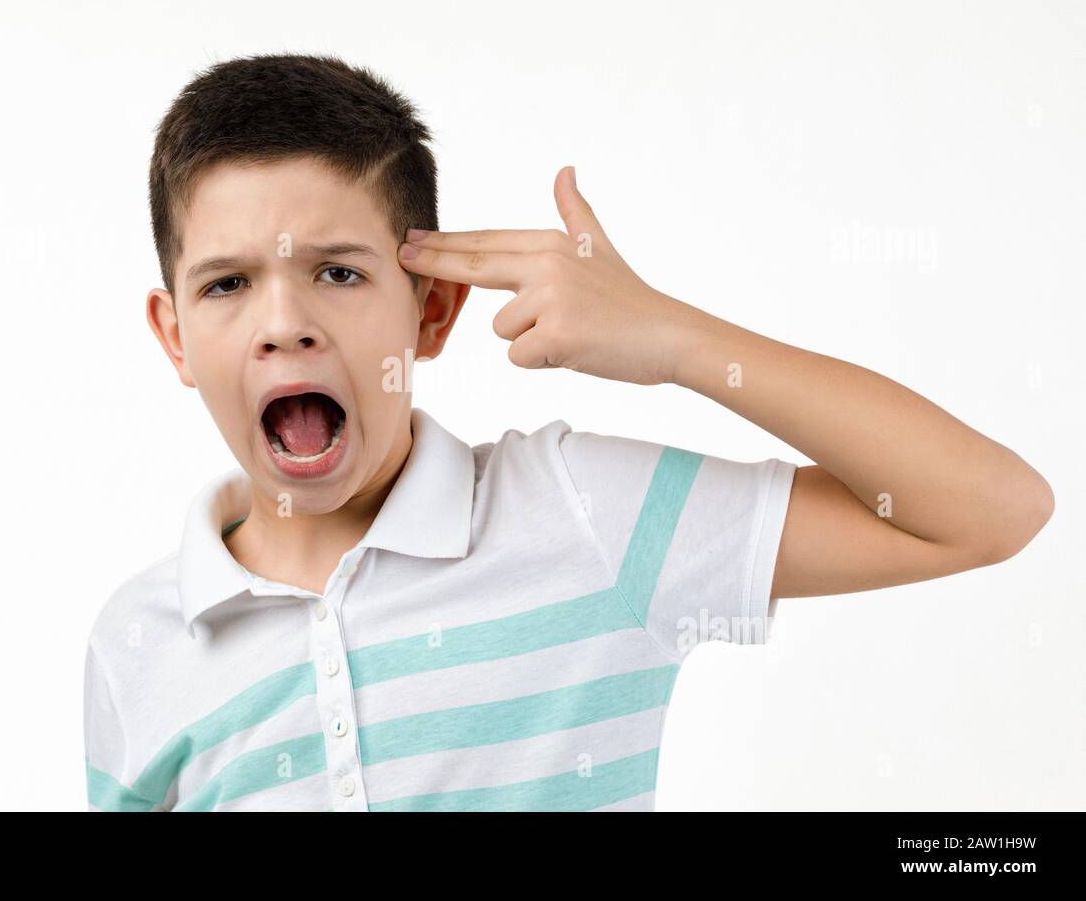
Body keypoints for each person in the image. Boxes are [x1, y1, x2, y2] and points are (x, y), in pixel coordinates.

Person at [83, 52, 1053, 811]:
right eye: (226, 283)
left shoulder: (586, 515)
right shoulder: (140, 643)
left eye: (339, 272)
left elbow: (986, 510)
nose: (283, 322)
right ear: (175, 335)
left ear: (431, 313)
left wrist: (676, 339)